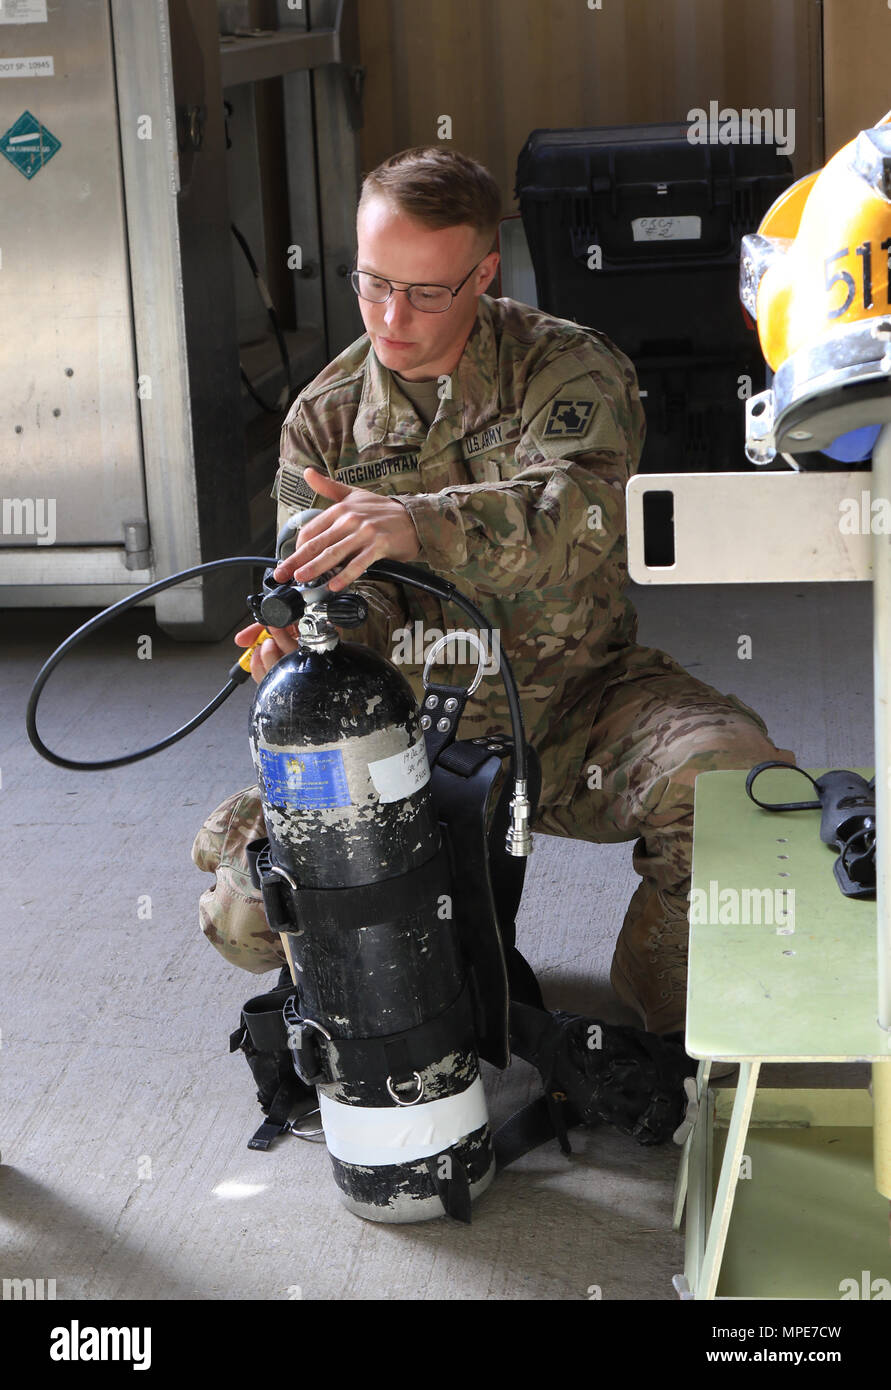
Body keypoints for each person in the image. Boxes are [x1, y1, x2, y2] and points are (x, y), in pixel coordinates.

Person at [193, 145, 794, 1037]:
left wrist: (414, 522)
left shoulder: (568, 368)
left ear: (484, 271)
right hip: (412, 734)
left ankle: (663, 976)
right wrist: (310, 636)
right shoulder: (319, 420)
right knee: (250, 914)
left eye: (427, 291)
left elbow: (582, 515)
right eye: (372, 283)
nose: (392, 316)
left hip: (578, 706)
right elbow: (321, 578)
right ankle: (425, 966)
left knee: (735, 781)